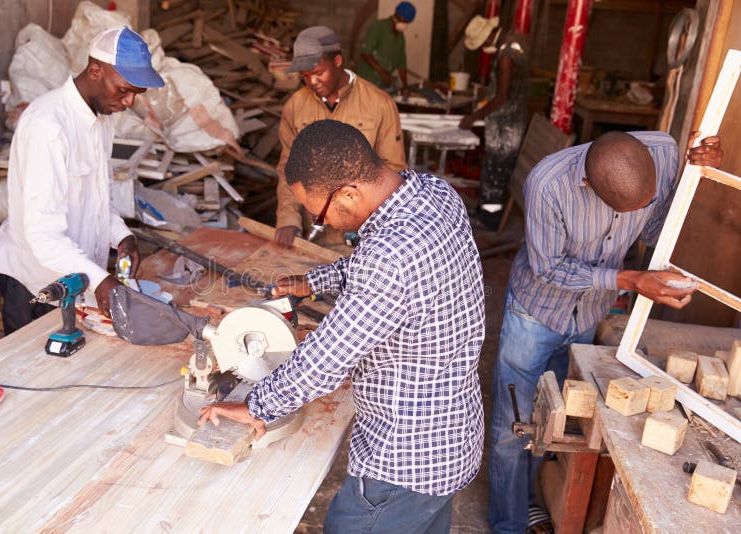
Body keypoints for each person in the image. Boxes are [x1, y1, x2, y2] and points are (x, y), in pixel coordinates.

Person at [200, 119, 486, 533]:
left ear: (349, 192)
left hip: (402, 461)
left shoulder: (388, 257)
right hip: (448, 439)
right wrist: (314, 282)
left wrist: (254, 406)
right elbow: (385, 264)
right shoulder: (433, 193)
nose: (325, 223)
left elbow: (326, 360)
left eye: (320, 214)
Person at [488, 130, 723, 534]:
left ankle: (526, 498)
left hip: (589, 312)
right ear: (588, 186)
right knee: (516, 424)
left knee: (554, 417)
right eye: (632, 208)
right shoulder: (548, 184)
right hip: (536, 311)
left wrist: (697, 175)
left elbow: (656, 231)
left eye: (645, 202)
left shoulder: (664, 154)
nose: (642, 211)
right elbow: (549, 269)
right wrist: (631, 280)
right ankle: (507, 523)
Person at [0, 26, 165, 334]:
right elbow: (43, 236)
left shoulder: (101, 120)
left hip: (76, 279)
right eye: (123, 90)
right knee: (34, 376)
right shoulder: (49, 125)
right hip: (37, 284)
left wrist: (121, 236)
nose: (127, 103)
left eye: (136, 94)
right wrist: (99, 279)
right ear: (95, 70)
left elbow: (98, 199)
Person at [275, 26, 406, 247]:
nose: (312, 82)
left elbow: (395, 170)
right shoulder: (295, 106)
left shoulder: (379, 104)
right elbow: (287, 168)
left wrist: (381, 235)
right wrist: (288, 219)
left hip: (362, 240)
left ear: (337, 61)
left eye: (318, 73)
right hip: (312, 236)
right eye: (305, 76)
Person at [459, 15, 528, 231]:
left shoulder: (506, 57)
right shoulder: (512, 42)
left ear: (488, 37)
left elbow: (501, 98)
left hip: (507, 124)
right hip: (509, 118)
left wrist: (474, 117)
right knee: (491, 168)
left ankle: (490, 218)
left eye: (483, 44)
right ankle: (483, 209)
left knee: (496, 170)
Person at [357, 1, 416, 94]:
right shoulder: (379, 27)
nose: (406, 25)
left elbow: (402, 66)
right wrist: (383, 73)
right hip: (367, 81)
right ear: (399, 16)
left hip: (382, 84)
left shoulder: (400, 37)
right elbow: (366, 53)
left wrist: (405, 86)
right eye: (405, 21)